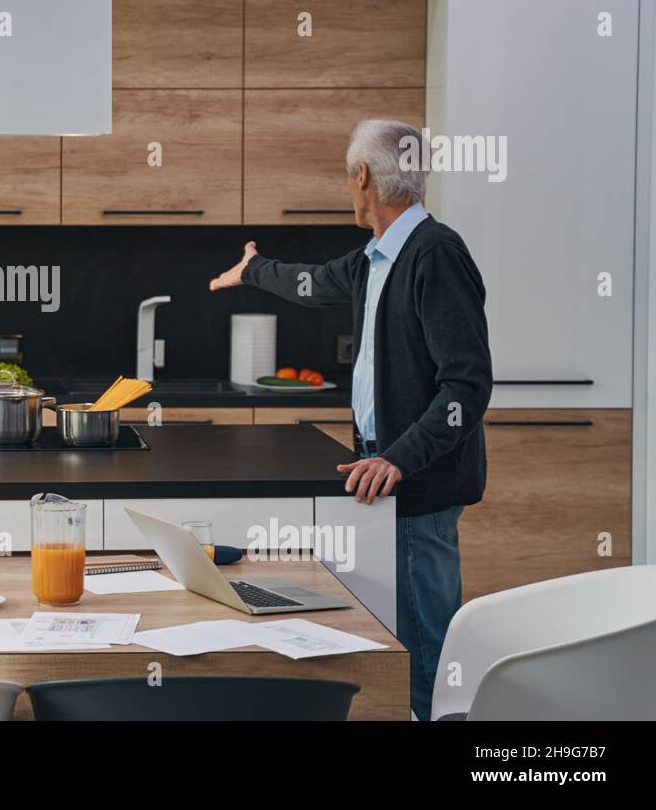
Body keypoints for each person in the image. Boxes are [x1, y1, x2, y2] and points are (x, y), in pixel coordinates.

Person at [209, 119, 493, 721]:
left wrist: (397, 458)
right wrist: (254, 270)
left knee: (425, 648)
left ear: (362, 176)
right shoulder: (378, 257)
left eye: (348, 174)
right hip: (383, 476)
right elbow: (313, 283)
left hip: (416, 483)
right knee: (395, 641)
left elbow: (465, 387)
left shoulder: (435, 255)